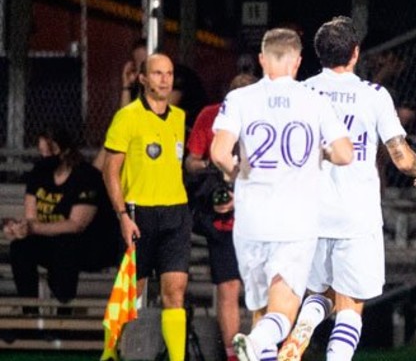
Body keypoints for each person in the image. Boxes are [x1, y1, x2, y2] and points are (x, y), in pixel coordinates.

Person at [278, 16, 416, 361]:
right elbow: (400, 157)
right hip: (356, 216)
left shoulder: (300, 93)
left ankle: (300, 333)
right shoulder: (373, 95)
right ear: (355, 53)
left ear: (317, 55)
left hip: (310, 215)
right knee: (351, 304)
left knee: (318, 293)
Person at [209, 28, 355, 361]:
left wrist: (237, 173)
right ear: (298, 61)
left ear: (262, 59)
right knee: (282, 313)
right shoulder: (315, 100)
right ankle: (259, 339)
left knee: (261, 306)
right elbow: (345, 154)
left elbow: (219, 153)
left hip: (251, 221)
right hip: (294, 221)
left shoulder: (240, 99)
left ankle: (260, 346)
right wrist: (323, 153)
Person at [102, 53, 191, 361]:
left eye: (168, 73)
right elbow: (110, 169)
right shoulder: (127, 117)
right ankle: (110, 350)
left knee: (175, 291)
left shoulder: (179, 117)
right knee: (131, 292)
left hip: (176, 212)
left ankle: (178, 358)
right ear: (142, 78)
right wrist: (123, 216)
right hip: (139, 213)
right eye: (157, 73)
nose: (165, 79)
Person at [186, 72, 258, 361]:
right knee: (228, 288)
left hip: (261, 217)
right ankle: (233, 356)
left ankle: (264, 350)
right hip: (224, 221)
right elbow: (191, 162)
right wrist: (214, 171)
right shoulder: (211, 116)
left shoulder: (268, 118)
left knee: (263, 289)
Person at [3, 129, 112, 302]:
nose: (45, 156)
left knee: (65, 244)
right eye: (41, 151)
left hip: (86, 244)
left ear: (65, 151)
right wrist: (20, 228)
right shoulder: (39, 173)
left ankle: (64, 307)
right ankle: (28, 308)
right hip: (51, 241)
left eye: (49, 151)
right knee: (20, 248)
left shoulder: (84, 176)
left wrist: (35, 228)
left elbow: (77, 224)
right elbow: (32, 217)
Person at [118, 38, 148, 107]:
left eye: (143, 63)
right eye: (137, 63)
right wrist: (126, 83)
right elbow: (125, 112)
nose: (140, 68)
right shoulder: (134, 85)